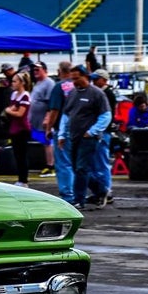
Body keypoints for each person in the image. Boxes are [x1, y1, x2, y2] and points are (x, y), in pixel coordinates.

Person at [57, 65, 111, 210]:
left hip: (88, 138)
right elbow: (66, 115)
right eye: (72, 78)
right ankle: (101, 190)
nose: (74, 81)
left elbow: (106, 115)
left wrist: (93, 131)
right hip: (74, 136)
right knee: (77, 169)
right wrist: (62, 134)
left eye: (76, 78)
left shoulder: (97, 94)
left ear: (85, 76)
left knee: (81, 168)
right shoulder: (72, 94)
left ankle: (78, 200)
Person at [43, 62, 77, 202]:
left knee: (63, 163)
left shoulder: (60, 87)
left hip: (63, 129)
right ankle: (78, 193)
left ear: (60, 71)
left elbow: (55, 110)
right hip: (79, 129)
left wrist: (48, 127)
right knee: (76, 163)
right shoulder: (78, 85)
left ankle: (67, 195)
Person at [89, 69, 117, 205]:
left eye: (96, 79)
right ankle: (101, 191)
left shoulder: (107, 94)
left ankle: (106, 190)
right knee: (97, 163)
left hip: (102, 132)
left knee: (101, 163)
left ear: (104, 80)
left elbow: (106, 115)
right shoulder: (102, 93)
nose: (94, 81)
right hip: (100, 132)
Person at [4, 71, 32, 187]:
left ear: (22, 83)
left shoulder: (25, 96)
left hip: (22, 129)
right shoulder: (14, 95)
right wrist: (12, 110)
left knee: (22, 155)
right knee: (17, 155)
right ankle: (20, 178)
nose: (13, 83)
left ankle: (24, 180)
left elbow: (20, 113)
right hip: (14, 128)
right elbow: (13, 108)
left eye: (15, 81)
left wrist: (9, 110)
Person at [28, 61, 55, 177]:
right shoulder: (38, 83)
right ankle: (45, 163)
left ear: (45, 70)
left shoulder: (49, 83)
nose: (35, 72)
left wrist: (47, 118)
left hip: (43, 119)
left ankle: (50, 166)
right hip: (35, 120)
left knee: (47, 141)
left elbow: (51, 102)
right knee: (43, 142)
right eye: (34, 70)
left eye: (37, 69)